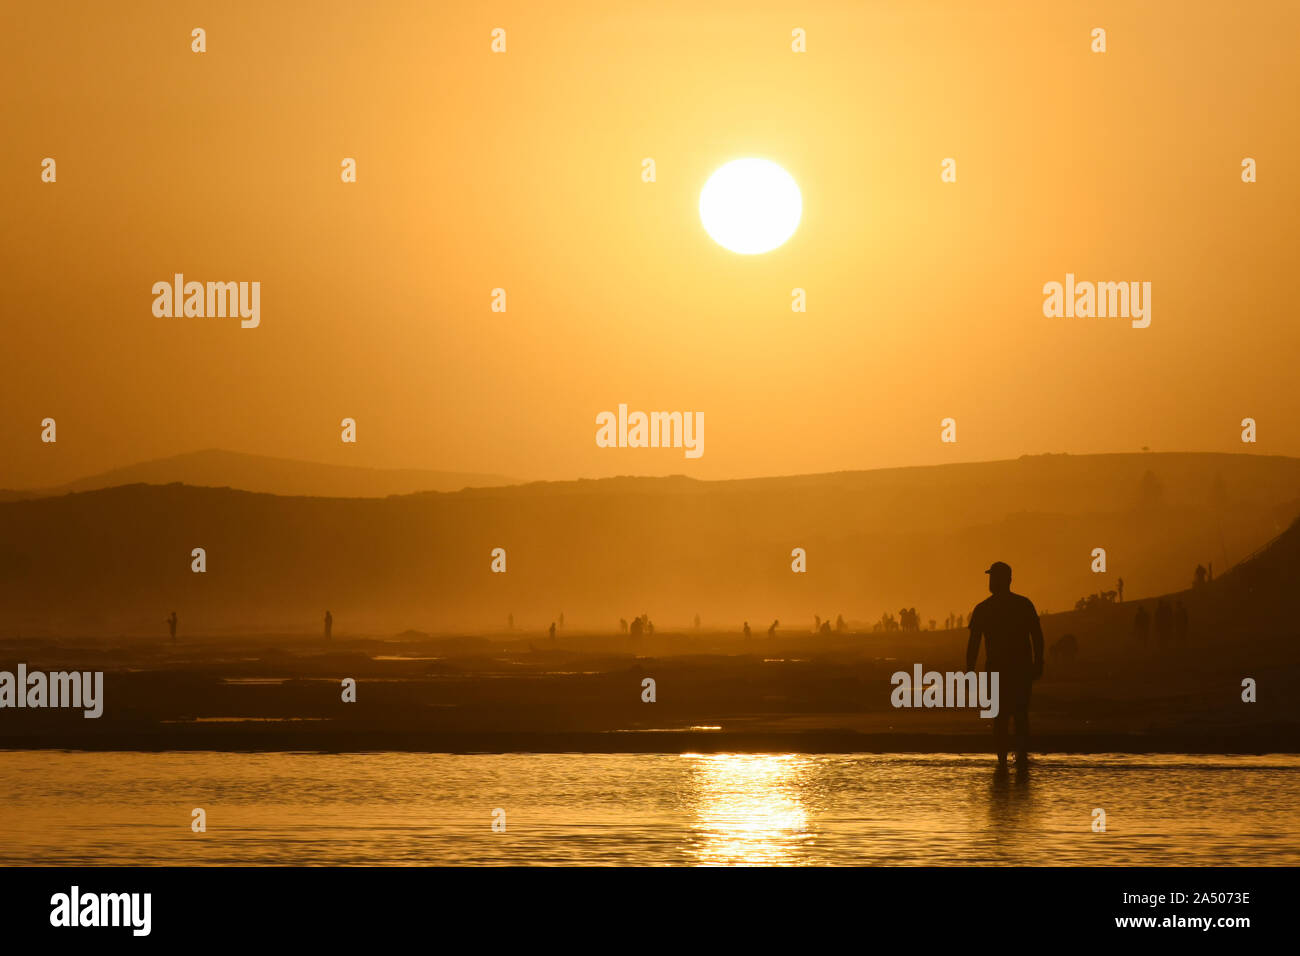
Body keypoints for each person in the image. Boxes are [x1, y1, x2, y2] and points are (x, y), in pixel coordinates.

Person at [966, 561, 1044, 768]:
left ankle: (1003, 763)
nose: (991, 582)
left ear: (1006, 580)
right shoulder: (1023, 604)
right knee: (1018, 716)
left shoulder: (984, 608)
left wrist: (970, 671)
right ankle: (1020, 761)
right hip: (1019, 669)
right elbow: (1037, 636)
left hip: (999, 670)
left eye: (994, 577)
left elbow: (974, 643)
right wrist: (1038, 662)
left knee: (1002, 718)